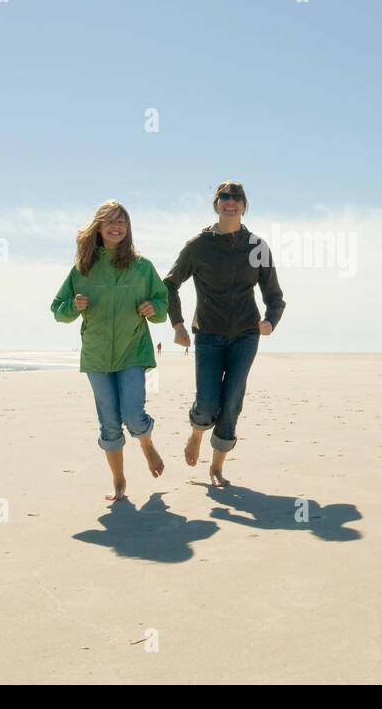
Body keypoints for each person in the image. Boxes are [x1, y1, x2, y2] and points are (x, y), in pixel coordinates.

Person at [164, 181, 285, 487]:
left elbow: (274, 295)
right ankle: (196, 432)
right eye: (225, 197)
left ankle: (216, 468)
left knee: (231, 402)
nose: (231, 202)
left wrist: (271, 320)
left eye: (237, 198)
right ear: (216, 204)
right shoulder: (198, 246)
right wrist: (178, 324)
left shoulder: (257, 247)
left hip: (245, 336)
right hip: (208, 335)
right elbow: (169, 284)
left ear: (244, 206)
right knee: (207, 404)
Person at [51, 200, 169, 501]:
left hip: (133, 351)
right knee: (109, 424)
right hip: (97, 356)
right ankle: (119, 481)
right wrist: (72, 307)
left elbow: (162, 306)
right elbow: (58, 310)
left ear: (127, 229)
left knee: (133, 416)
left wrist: (152, 307)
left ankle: (146, 443)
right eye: (110, 222)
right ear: (99, 228)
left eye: (122, 222)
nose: (116, 227)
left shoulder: (142, 267)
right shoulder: (83, 269)